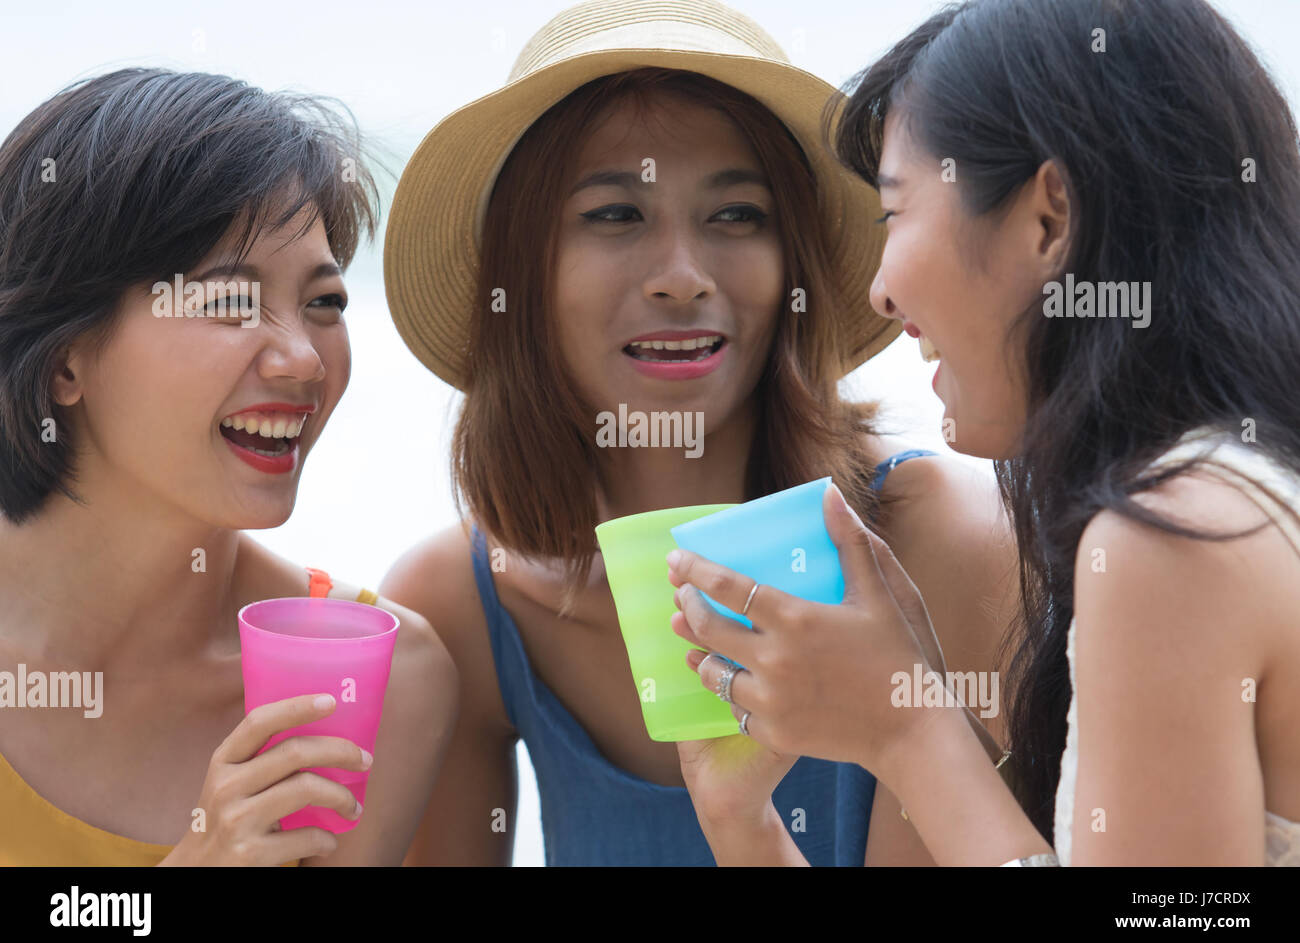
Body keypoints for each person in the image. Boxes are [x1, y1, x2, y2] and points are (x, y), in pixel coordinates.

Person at [382, 0, 1017, 865]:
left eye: (736, 216)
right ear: (521, 274)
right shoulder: (458, 602)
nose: (683, 278)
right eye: (614, 215)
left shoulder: (937, 537)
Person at [667, 0, 1300, 865]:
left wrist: (910, 734)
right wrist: (746, 825)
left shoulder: (1175, 537)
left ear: (1049, 219)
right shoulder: (1229, 498)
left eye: (894, 215)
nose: (881, 293)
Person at [0, 68, 457, 866]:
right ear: (63, 359)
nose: (303, 360)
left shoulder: (380, 677)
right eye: (227, 303)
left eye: (324, 302)